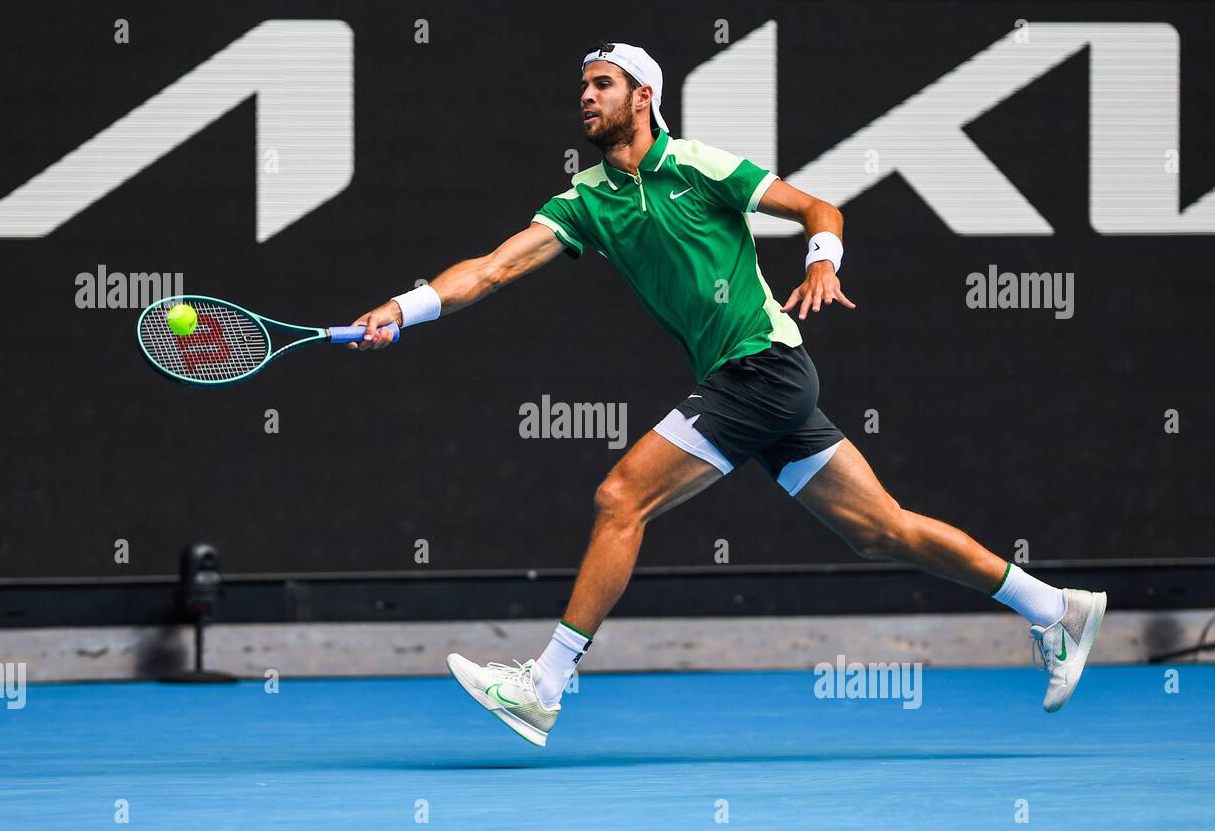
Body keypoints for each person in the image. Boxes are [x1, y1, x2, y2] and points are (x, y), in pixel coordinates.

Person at [349, 42, 1106, 747]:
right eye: (582, 86)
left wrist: (821, 262)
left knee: (621, 499)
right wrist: (400, 309)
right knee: (881, 530)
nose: (585, 96)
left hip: (762, 366)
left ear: (642, 98)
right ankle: (1056, 608)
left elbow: (820, 209)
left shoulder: (699, 166)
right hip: (755, 382)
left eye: (601, 85)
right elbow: (489, 269)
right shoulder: (585, 200)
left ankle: (544, 685)